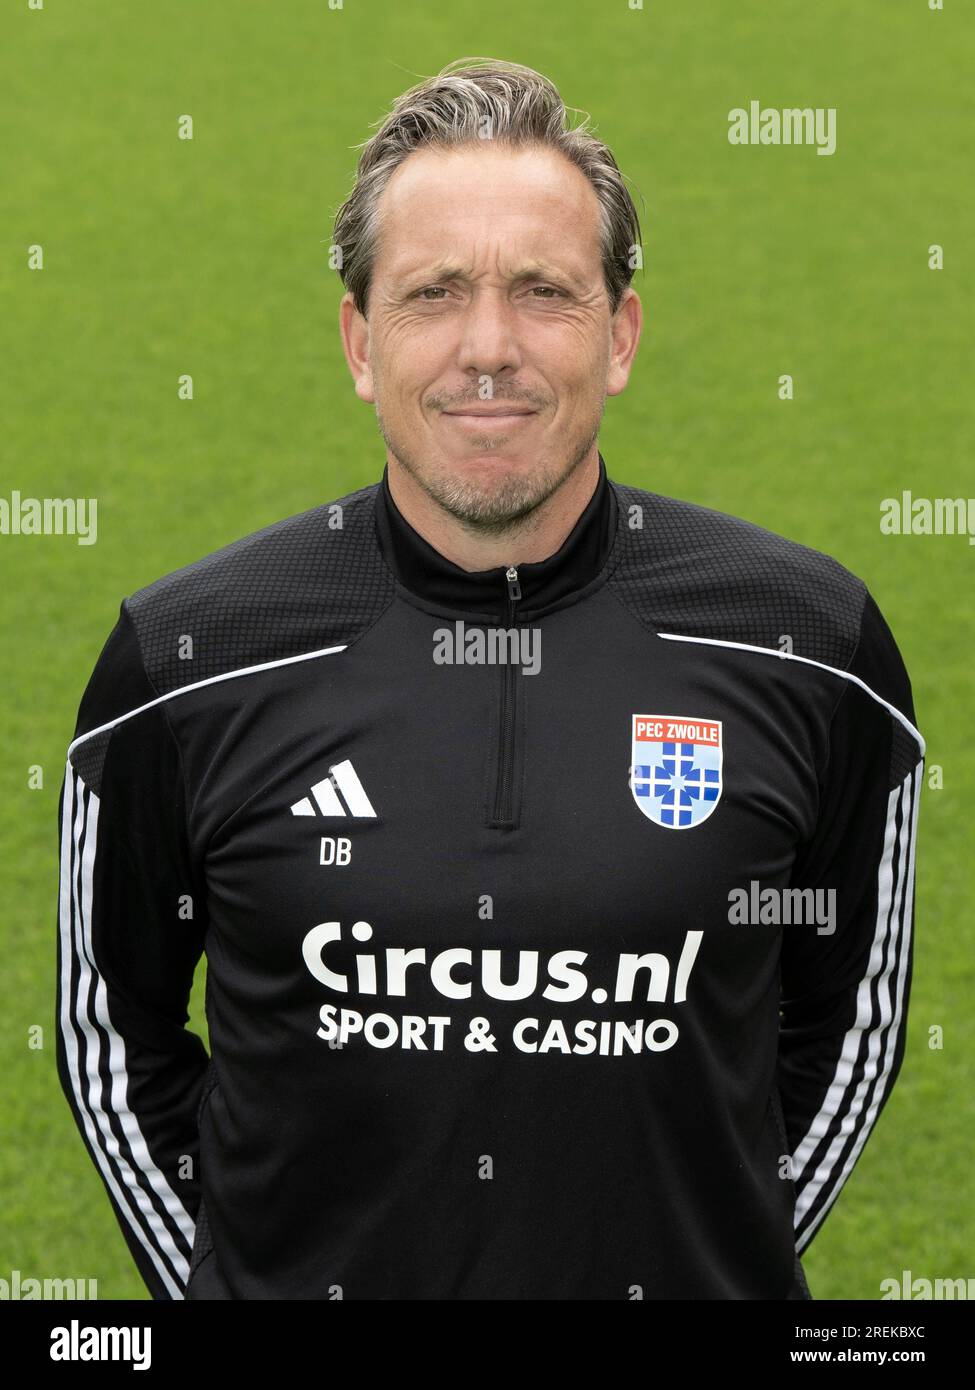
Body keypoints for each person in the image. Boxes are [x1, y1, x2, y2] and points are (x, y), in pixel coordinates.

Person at [55, 57, 923, 1300]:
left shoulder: (808, 647)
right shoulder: (189, 660)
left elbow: (847, 1025)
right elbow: (113, 1035)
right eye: (434, 293)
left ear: (620, 334)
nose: (488, 349)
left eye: (544, 292)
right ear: (362, 340)